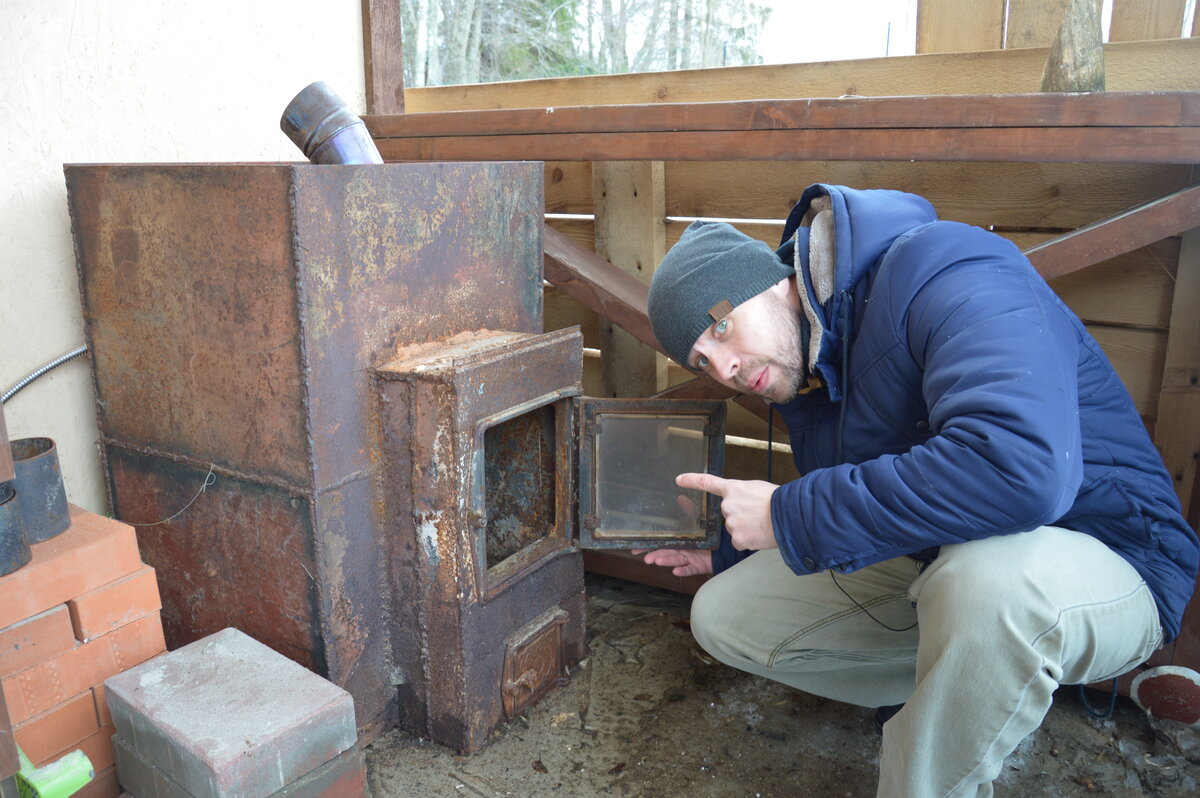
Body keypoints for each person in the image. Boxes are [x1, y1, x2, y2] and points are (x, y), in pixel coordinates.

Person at [637, 183, 1198, 797]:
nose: (724, 371)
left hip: (1114, 556)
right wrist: (727, 551)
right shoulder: (812, 369)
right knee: (724, 614)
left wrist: (789, 517)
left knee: (990, 585)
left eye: (720, 329)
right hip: (946, 560)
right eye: (700, 362)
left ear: (771, 282)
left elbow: (1019, 466)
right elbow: (882, 502)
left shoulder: (945, 268)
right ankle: (962, 698)